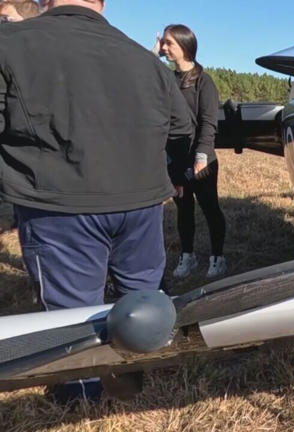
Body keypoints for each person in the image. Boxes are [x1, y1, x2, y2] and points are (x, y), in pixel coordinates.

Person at [0, 0, 194, 401]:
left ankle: (81, 397)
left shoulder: (11, 43)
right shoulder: (144, 58)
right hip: (141, 205)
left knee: (72, 319)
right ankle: (136, 379)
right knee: (143, 299)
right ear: (102, 3)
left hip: (61, 207)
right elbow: (180, 126)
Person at [159, 24, 228, 278]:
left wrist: (201, 158)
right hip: (176, 160)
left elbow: (209, 123)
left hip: (201, 160)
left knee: (210, 208)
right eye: (163, 43)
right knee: (183, 209)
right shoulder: (167, 79)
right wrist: (154, 53)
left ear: (184, 46)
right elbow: (143, 75)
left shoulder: (203, 82)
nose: (164, 47)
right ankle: (187, 256)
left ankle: (217, 257)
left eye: (169, 43)